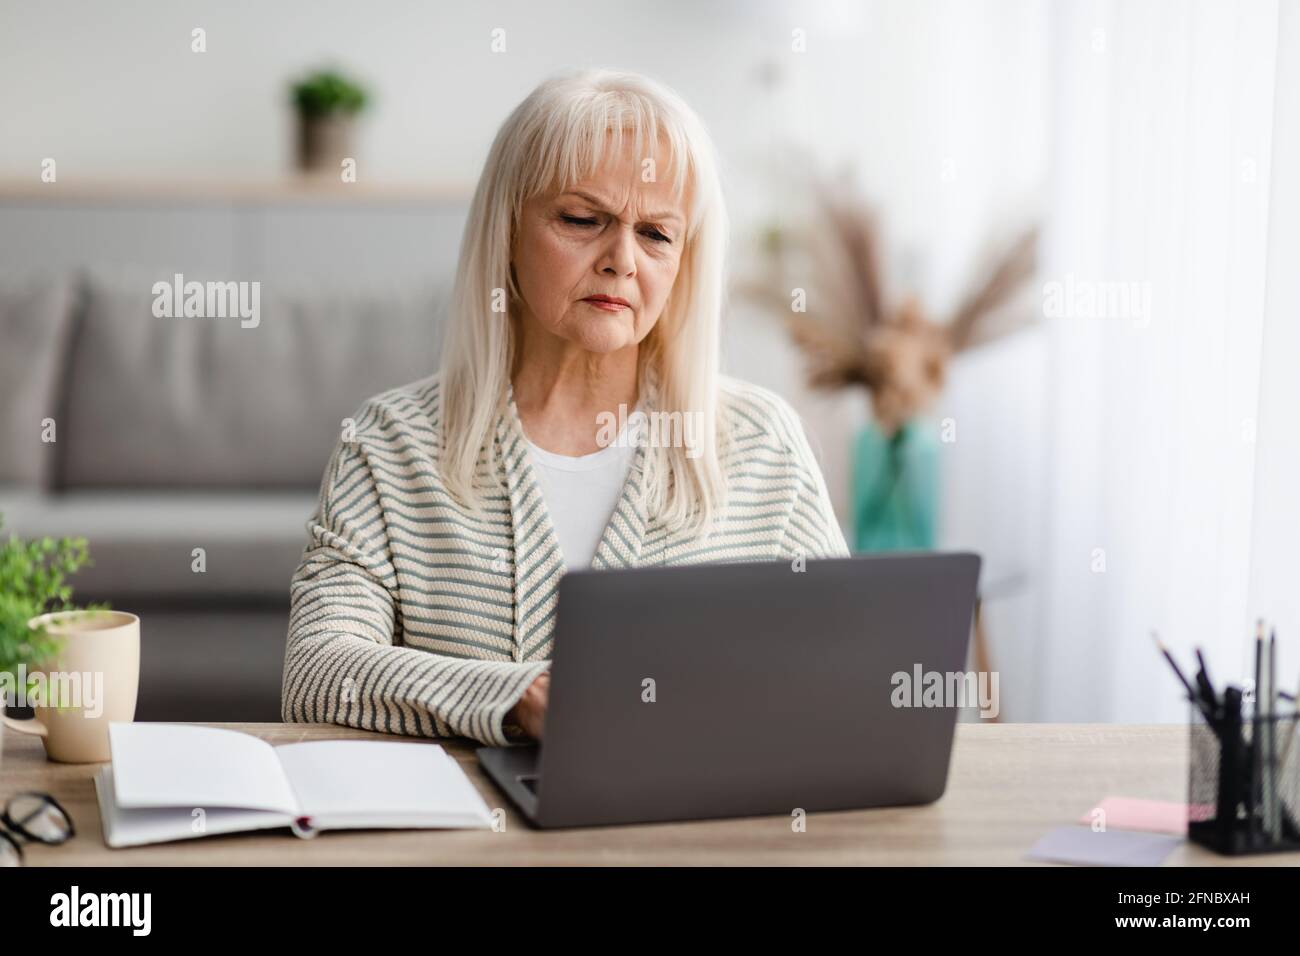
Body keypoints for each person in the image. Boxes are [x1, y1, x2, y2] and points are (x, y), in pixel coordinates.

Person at [281, 68, 848, 746]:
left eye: (657, 235)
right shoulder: (388, 444)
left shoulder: (762, 441)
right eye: (583, 220)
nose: (622, 260)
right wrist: (513, 697)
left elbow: (842, 669)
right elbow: (316, 671)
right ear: (506, 231)